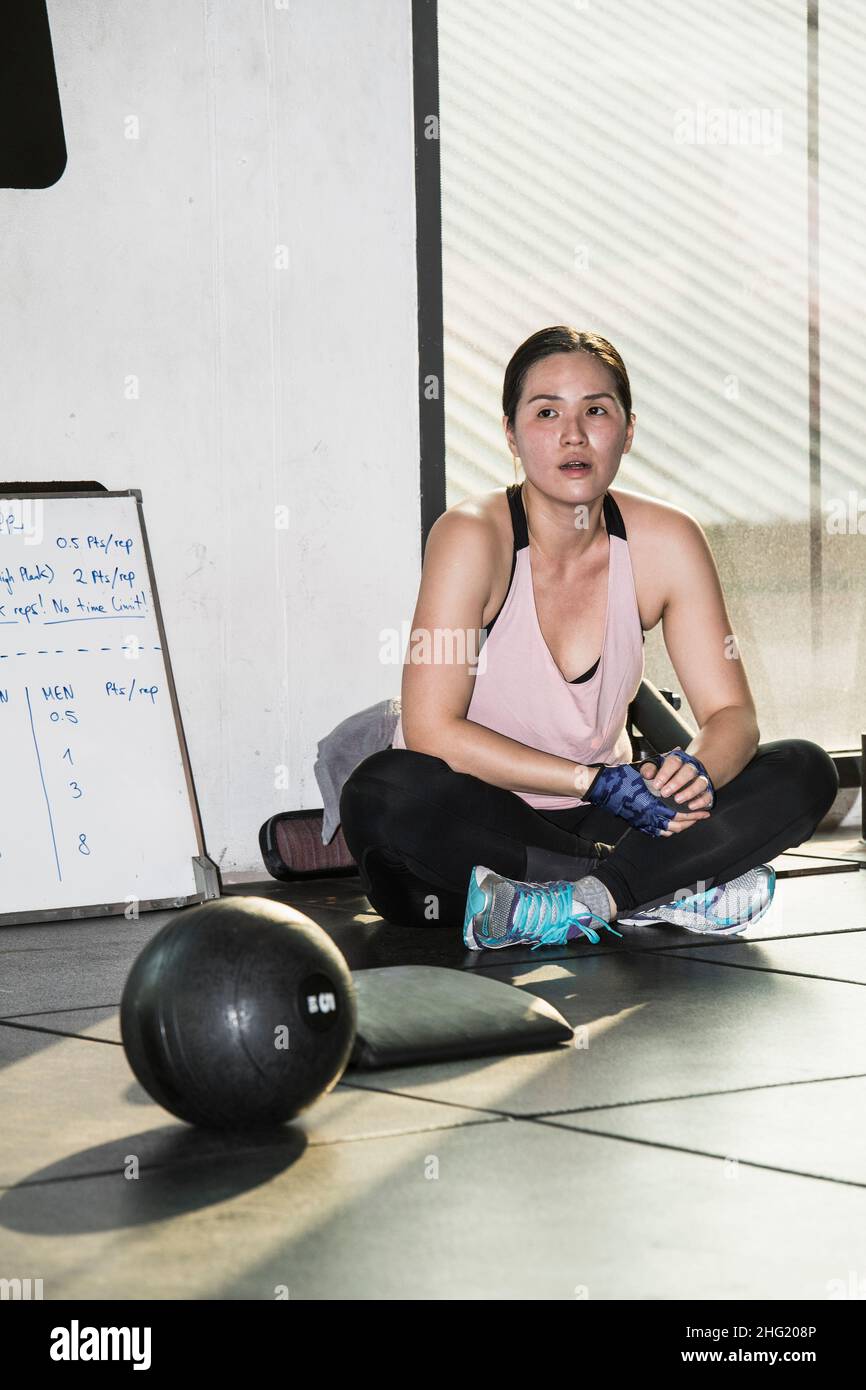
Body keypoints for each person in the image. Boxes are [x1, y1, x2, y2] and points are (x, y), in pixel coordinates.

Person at [340, 326, 839, 951]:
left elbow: (731, 714)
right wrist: (591, 780)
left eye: (596, 411)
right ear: (511, 434)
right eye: (547, 412)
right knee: (382, 794)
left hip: (609, 820)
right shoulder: (470, 536)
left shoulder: (667, 540)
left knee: (802, 770)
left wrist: (694, 772)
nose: (573, 435)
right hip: (486, 821)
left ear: (627, 431)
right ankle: (659, 890)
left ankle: (581, 902)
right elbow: (432, 729)